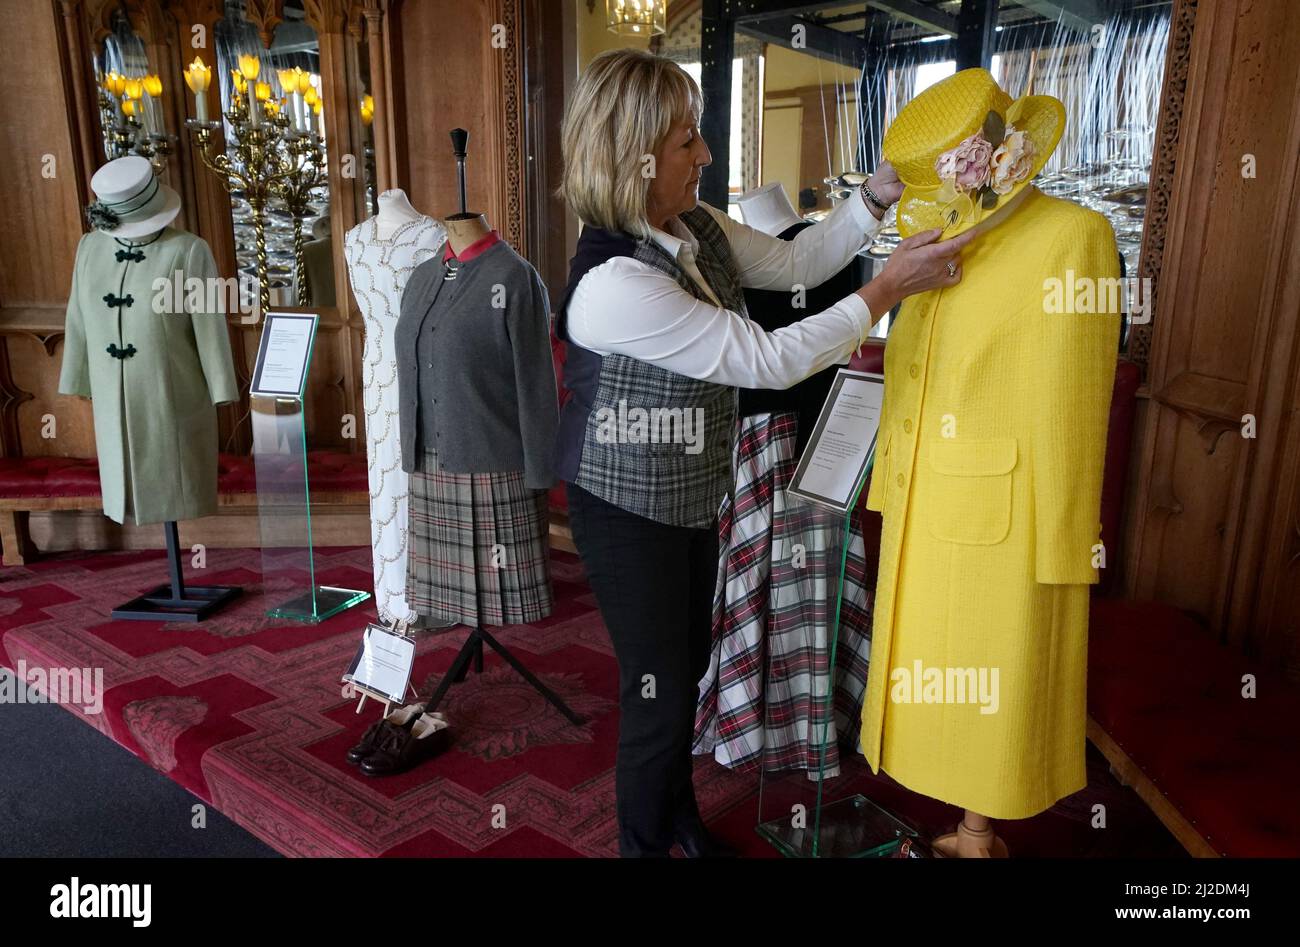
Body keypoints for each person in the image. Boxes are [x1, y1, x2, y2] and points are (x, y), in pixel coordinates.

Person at [553, 48, 972, 858]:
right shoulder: (612, 284)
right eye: (687, 140)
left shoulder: (694, 226)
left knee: (690, 667)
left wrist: (877, 196)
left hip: (689, 491)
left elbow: (798, 262)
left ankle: (679, 818)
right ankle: (643, 843)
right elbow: (767, 357)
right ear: (634, 153)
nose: (705, 156)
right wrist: (886, 290)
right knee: (657, 694)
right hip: (622, 505)